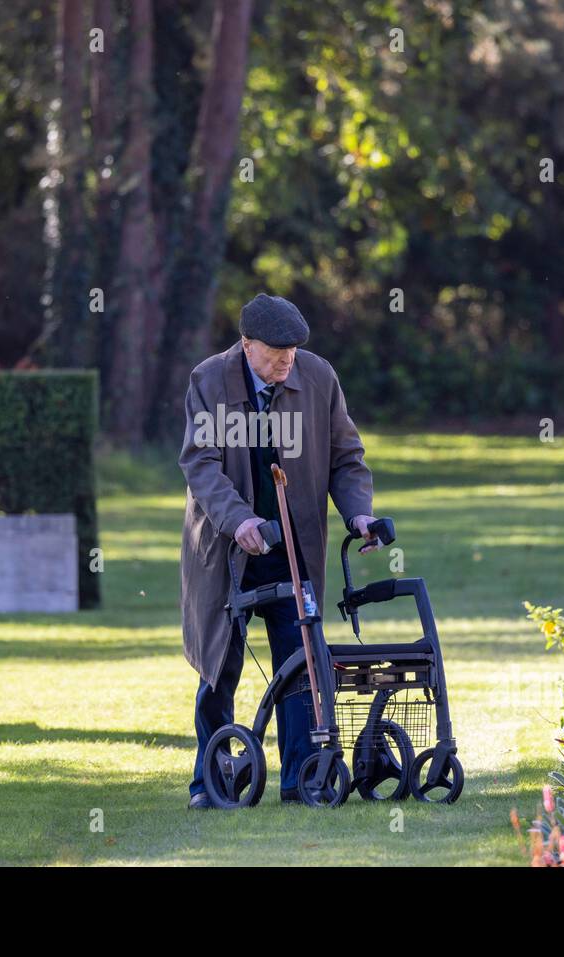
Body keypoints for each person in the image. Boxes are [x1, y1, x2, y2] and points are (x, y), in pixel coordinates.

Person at [179, 293, 377, 807]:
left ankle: (303, 780)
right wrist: (239, 518)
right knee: (219, 667)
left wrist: (358, 513)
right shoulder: (209, 381)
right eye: (274, 352)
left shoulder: (318, 378)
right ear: (246, 345)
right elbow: (202, 463)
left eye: (291, 351)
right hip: (230, 551)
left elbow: (346, 458)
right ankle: (210, 781)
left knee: (301, 663)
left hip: (294, 549)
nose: (286, 361)